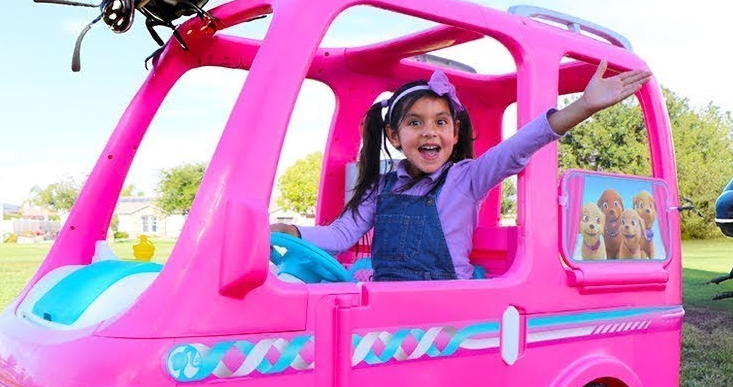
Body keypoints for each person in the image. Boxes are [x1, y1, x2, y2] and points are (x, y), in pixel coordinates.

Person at [271, 61, 652, 281]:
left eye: (440, 122)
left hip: (451, 306)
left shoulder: (467, 178)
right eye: (415, 123)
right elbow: (340, 235)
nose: (429, 132)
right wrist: (291, 232)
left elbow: (519, 147)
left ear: (454, 133)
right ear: (394, 135)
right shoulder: (381, 187)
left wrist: (582, 107)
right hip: (387, 304)